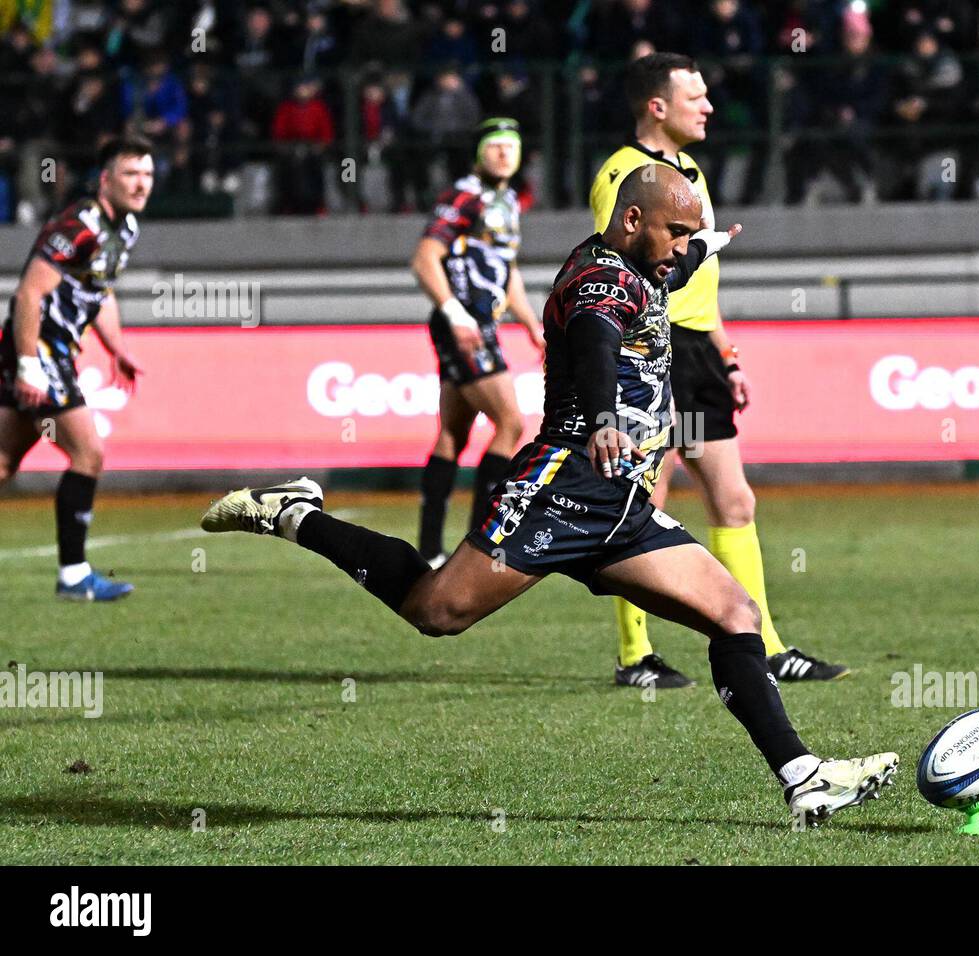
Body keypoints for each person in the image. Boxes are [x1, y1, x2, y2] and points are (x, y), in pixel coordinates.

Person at [201, 166, 898, 823]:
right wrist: (601, 419)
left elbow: (682, 262)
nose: (682, 249)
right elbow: (596, 346)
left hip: (620, 507)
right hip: (562, 487)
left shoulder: (649, 259)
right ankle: (296, 512)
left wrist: (710, 241)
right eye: (676, 234)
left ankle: (803, 778)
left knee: (734, 614)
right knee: (437, 611)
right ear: (632, 219)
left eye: (690, 236)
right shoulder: (601, 283)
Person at [589, 52, 848, 689]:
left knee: (732, 499)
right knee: (641, 501)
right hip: (651, 349)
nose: (708, 107)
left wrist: (726, 355)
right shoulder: (624, 175)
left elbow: (702, 278)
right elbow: (613, 279)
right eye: (695, 97)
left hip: (699, 352)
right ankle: (635, 656)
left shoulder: (693, 171)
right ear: (657, 106)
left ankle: (765, 645)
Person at [0, 136, 152, 600]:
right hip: (39, 349)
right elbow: (29, 294)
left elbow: (99, 291)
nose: (141, 184)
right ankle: (73, 576)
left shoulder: (124, 229)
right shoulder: (77, 225)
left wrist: (117, 349)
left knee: (4, 461)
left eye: (147, 175)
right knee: (89, 454)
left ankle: (73, 576)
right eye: (131, 174)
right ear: (106, 180)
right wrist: (29, 365)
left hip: (53, 352)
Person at [412, 118, 544, 568]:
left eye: (512, 145)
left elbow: (508, 271)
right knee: (510, 424)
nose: (505, 153)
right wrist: (455, 314)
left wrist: (531, 324)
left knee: (454, 432)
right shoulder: (464, 196)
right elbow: (425, 257)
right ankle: (478, 543)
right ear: (478, 153)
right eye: (495, 146)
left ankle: (430, 548)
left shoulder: (507, 201)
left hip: (479, 324)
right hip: (464, 326)